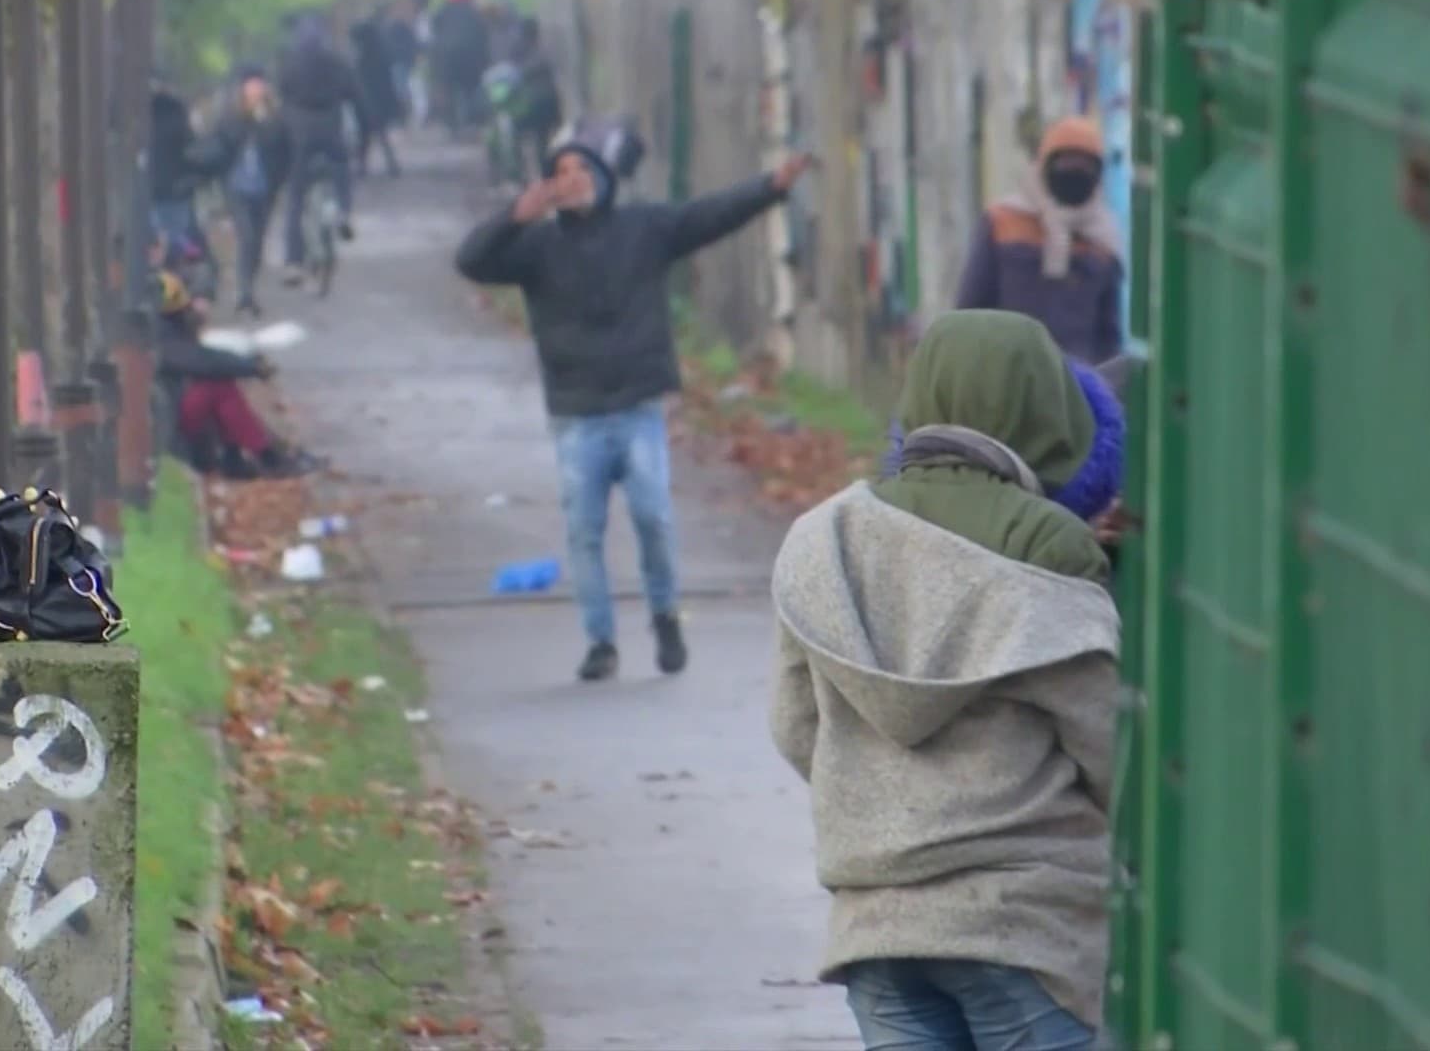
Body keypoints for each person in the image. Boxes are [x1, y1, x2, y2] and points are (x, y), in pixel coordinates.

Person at [770, 310, 1119, 1051]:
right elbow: (1107, 742)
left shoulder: (823, 537)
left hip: (876, 926)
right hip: (1022, 924)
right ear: (1044, 404)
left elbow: (795, 726)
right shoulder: (1046, 545)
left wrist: (888, 803)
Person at [454, 137, 814, 681]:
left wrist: (771, 188)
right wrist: (514, 217)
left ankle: (665, 615)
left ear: (601, 177)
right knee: (584, 531)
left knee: (653, 517)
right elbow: (471, 261)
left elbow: (708, 217)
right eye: (560, 172)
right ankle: (601, 642)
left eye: (581, 169)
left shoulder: (643, 229)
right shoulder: (538, 248)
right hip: (577, 413)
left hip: (636, 407)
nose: (572, 178)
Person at [957, 115, 1124, 366]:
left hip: (1074, 389)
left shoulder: (1103, 240)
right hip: (1004, 378)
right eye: (1066, 163)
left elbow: (1108, 335)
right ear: (1045, 166)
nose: (1075, 173)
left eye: (1085, 166)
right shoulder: (1003, 221)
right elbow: (969, 310)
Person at [149, 251, 321, 480]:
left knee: (219, 386)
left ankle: (245, 457)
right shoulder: (161, 337)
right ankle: (266, 456)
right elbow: (203, 361)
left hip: (170, 417)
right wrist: (251, 367)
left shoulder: (158, 328)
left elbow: (200, 268)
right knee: (215, 385)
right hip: (166, 429)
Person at [277, 15, 365, 285]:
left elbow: (280, 97)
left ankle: (293, 261)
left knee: (296, 198)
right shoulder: (337, 64)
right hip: (330, 130)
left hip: (299, 136)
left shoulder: (288, 65)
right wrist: (365, 139)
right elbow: (357, 99)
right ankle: (343, 212)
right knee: (341, 168)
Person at [204, 66, 293, 318]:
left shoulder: (274, 117)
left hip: (264, 187)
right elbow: (222, 143)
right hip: (237, 186)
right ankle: (244, 293)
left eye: (259, 86)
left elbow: (282, 149)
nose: (256, 91)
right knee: (247, 236)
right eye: (251, 86)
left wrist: (264, 121)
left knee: (257, 241)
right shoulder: (231, 116)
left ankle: (249, 287)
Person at [149, 84, 221, 297]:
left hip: (152, 191)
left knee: (162, 242)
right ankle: (184, 286)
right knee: (178, 240)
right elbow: (192, 152)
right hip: (175, 191)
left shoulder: (136, 116)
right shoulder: (177, 114)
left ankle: (169, 289)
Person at [429, 0, 489, 137]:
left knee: (451, 91)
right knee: (471, 89)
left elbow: (435, 29)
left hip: (447, 58)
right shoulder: (474, 10)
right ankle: (473, 122)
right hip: (470, 58)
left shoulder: (444, 9)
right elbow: (482, 34)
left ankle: (453, 125)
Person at [349, 18, 404, 178]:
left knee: (365, 135)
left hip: (365, 98)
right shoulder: (381, 50)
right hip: (380, 99)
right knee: (380, 134)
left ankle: (363, 166)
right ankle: (390, 164)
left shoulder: (361, 54)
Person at [509, 18, 563, 173]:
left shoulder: (518, 53)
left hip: (529, 104)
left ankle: (521, 174)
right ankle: (545, 173)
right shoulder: (545, 51)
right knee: (543, 140)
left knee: (519, 137)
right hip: (547, 102)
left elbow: (514, 75)